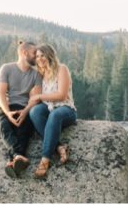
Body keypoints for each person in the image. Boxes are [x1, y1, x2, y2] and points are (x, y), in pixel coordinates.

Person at [28, 44, 77, 179]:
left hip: (65, 109)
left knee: (54, 115)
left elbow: (61, 95)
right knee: (35, 112)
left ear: (49, 55)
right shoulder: (40, 74)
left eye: (42, 55)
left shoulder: (62, 69)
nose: (39, 59)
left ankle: (45, 160)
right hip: (48, 109)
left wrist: (39, 96)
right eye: (37, 56)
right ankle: (59, 147)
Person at [0, 40, 42, 178]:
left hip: (24, 107)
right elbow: (1, 93)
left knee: (24, 130)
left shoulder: (36, 74)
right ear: (24, 52)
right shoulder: (6, 68)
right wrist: (7, 112)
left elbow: (36, 97)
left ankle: (13, 161)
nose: (36, 56)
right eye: (34, 53)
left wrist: (26, 110)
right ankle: (18, 156)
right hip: (7, 106)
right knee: (3, 125)